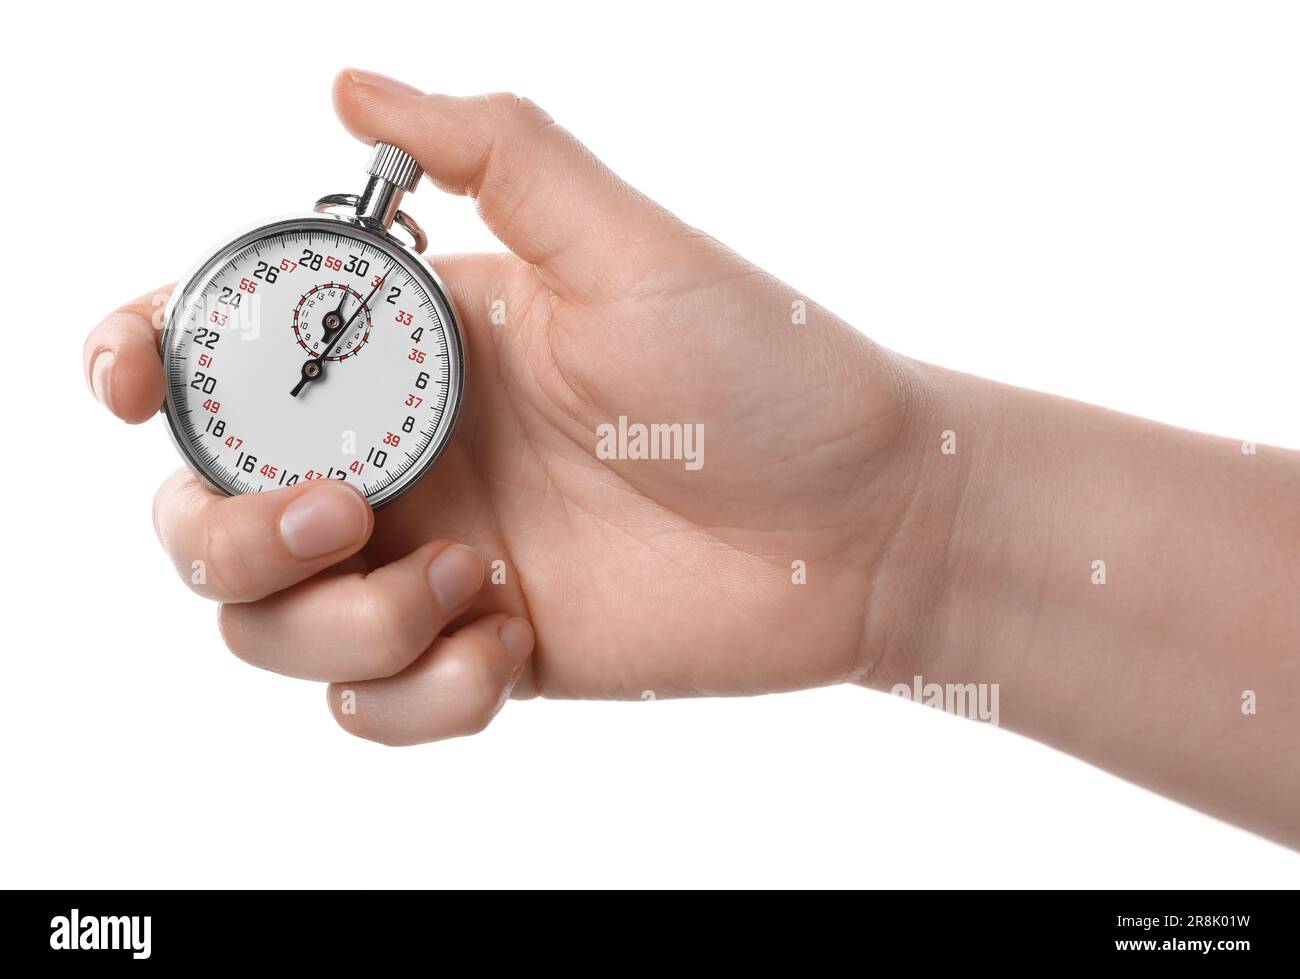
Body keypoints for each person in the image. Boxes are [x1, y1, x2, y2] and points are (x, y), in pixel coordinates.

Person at [83, 69, 1300, 849]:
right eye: (321, 344)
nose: (321, 359)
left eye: (342, 343)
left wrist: (911, 537)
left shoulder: (390, 324)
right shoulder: (349, 333)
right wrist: (903, 532)